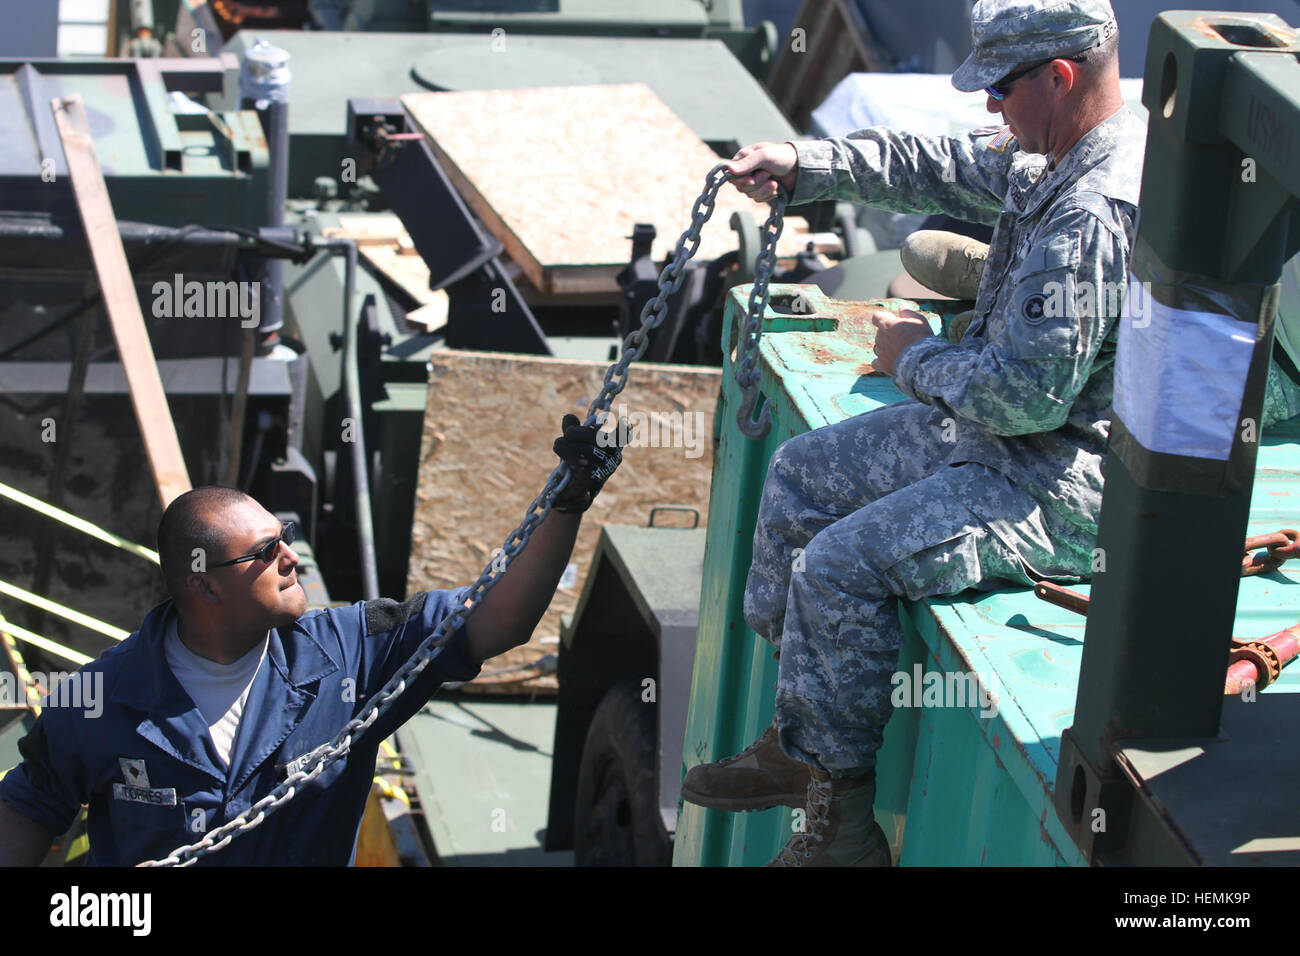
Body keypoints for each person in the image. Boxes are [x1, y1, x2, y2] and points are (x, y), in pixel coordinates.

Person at [680, 0, 1145, 866]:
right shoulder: (1058, 147)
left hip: (1057, 477)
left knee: (837, 566)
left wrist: (911, 360)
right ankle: (804, 737)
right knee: (798, 476)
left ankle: (843, 835)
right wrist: (806, 164)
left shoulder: (1091, 213)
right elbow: (939, 164)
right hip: (1003, 435)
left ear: (1061, 77)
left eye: (1001, 89)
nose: (990, 109)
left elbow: (1025, 403)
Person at [0, 415, 620, 866]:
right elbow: (31, 808)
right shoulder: (102, 698)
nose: (290, 558)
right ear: (206, 587)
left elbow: (492, 622)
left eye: (284, 537)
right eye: (264, 553)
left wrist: (566, 507)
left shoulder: (352, 653)